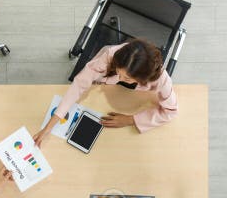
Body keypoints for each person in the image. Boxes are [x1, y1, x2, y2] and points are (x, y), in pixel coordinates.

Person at [33, 39, 178, 147]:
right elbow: (80, 84)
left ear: (142, 78)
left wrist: (131, 120)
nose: (120, 78)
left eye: (126, 78)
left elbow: (171, 111)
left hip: (128, 101)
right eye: (119, 72)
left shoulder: (161, 81)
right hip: (106, 92)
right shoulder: (111, 54)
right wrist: (48, 127)